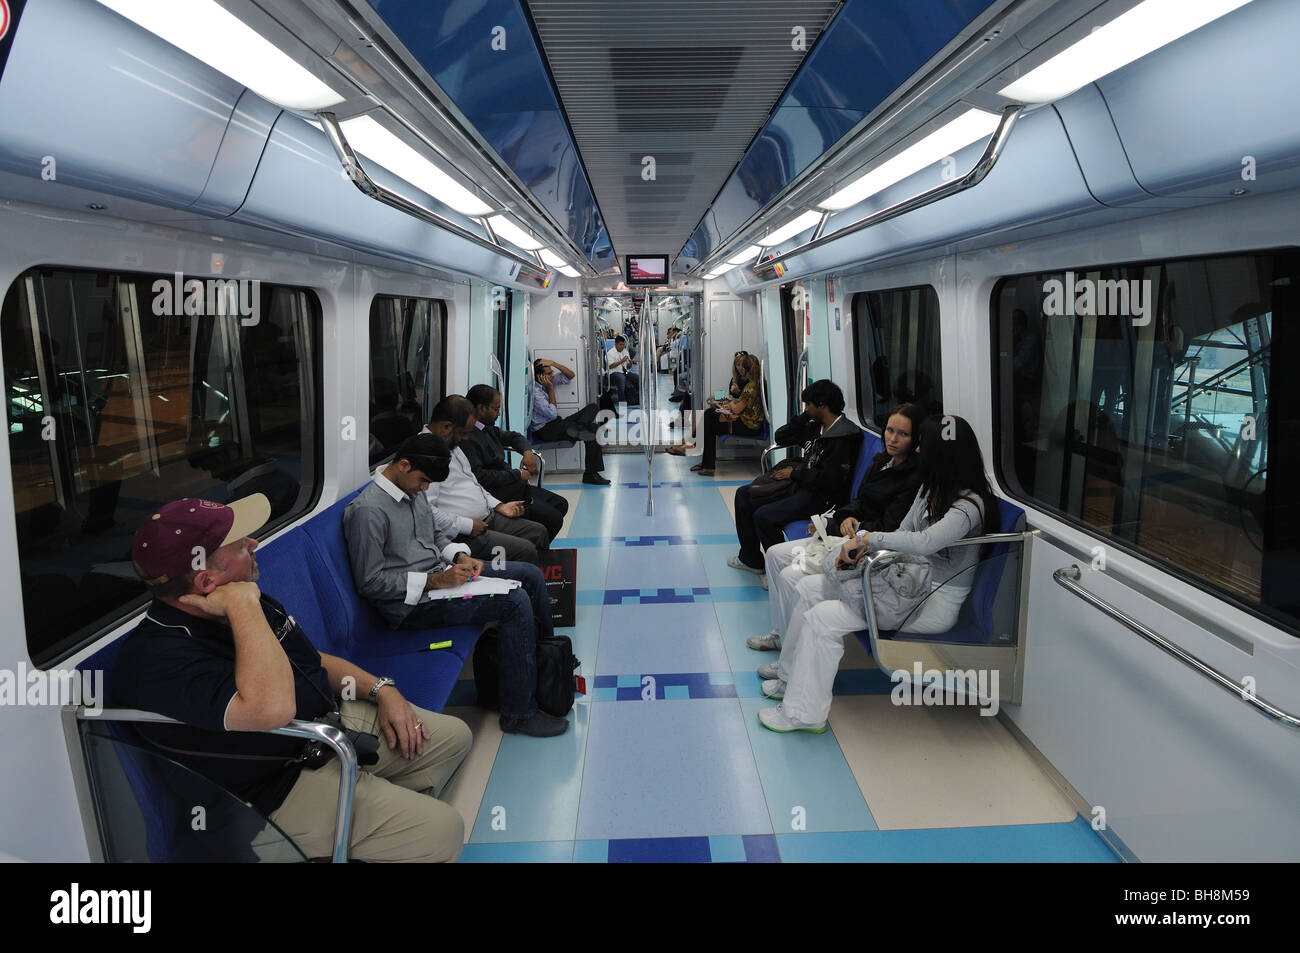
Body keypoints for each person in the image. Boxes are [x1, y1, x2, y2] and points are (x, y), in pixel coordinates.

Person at [112, 493, 473, 862]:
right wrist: (243, 608)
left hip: (323, 725)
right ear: (207, 580)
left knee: (455, 738)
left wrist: (383, 690)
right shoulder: (157, 661)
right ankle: (378, 827)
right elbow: (273, 710)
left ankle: (379, 822)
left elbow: (311, 662)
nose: (254, 544)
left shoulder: (246, 599)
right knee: (444, 832)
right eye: (239, 546)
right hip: (273, 790)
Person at [756, 415, 1000, 733]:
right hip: (904, 582)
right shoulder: (932, 490)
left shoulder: (970, 506)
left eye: (923, 447)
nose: (917, 451)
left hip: (933, 600)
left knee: (823, 618)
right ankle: (789, 679)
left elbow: (926, 543)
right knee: (808, 589)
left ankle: (804, 713)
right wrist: (862, 549)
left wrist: (869, 539)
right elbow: (904, 532)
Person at [344, 433, 569, 738]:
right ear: (404, 465)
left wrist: (460, 555)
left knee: (528, 574)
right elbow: (370, 582)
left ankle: (547, 669)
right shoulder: (368, 512)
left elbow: (434, 536)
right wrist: (435, 580)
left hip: (442, 577)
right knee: (513, 603)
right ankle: (519, 712)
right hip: (411, 605)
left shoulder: (412, 491)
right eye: (423, 481)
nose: (425, 489)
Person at [747, 403, 927, 652]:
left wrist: (843, 525)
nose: (893, 439)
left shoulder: (912, 479)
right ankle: (780, 633)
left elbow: (890, 526)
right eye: (889, 430)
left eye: (903, 434)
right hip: (847, 533)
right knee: (776, 554)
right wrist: (845, 517)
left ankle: (791, 643)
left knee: (791, 575)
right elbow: (859, 501)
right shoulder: (881, 462)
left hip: (865, 545)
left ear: (915, 439)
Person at [727, 379, 862, 575]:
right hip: (802, 485)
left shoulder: (843, 437)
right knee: (743, 495)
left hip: (822, 497)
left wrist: (795, 474)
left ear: (822, 405)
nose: (806, 409)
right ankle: (751, 559)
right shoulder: (816, 427)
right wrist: (804, 417)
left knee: (764, 516)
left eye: (809, 404)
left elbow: (831, 480)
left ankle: (781, 572)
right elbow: (781, 436)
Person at [422, 395, 548, 563]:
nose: (466, 438)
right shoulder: (426, 455)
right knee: (526, 550)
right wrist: (467, 525)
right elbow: (426, 512)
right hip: (463, 533)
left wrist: (498, 506)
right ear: (446, 426)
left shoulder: (450, 445)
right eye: (463, 433)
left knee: (539, 532)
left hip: (487, 516)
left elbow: (473, 482)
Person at [461, 384, 570, 541]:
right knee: (553, 519)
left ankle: (535, 543)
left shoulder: (487, 428)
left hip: (513, 485)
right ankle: (533, 549)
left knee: (561, 504)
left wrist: (527, 453)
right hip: (498, 494)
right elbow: (480, 477)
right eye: (495, 409)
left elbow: (515, 437)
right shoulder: (468, 437)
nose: (498, 414)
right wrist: (517, 474)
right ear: (481, 409)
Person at [668, 353, 764, 476]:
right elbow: (731, 396)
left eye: (741, 365)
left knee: (707, 416)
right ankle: (698, 455)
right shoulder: (737, 380)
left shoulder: (747, 384)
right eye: (736, 364)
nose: (739, 368)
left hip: (744, 420)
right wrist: (716, 397)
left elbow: (735, 403)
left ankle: (690, 446)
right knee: (706, 415)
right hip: (739, 414)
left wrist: (723, 401)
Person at [530, 358, 609, 485]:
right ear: (540, 377)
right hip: (546, 430)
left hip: (557, 424)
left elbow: (570, 375)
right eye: (549, 373)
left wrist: (554, 363)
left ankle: (580, 426)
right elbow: (552, 414)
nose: (552, 375)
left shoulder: (547, 381)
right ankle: (590, 474)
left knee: (593, 407)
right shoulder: (536, 392)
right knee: (593, 431)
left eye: (552, 372)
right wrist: (550, 389)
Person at [607, 335, 639, 405]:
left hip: (624, 372)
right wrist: (621, 361)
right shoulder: (610, 353)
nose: (622, 346)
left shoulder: (625, 352)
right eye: (620, 345)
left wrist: (630, 363)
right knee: (621, 378)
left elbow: (628, 367)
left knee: (637, 378)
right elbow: (611, 366)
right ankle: (622, 401)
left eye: (623, 345)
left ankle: (637, 398)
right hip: (614, 372)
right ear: (616, 344)